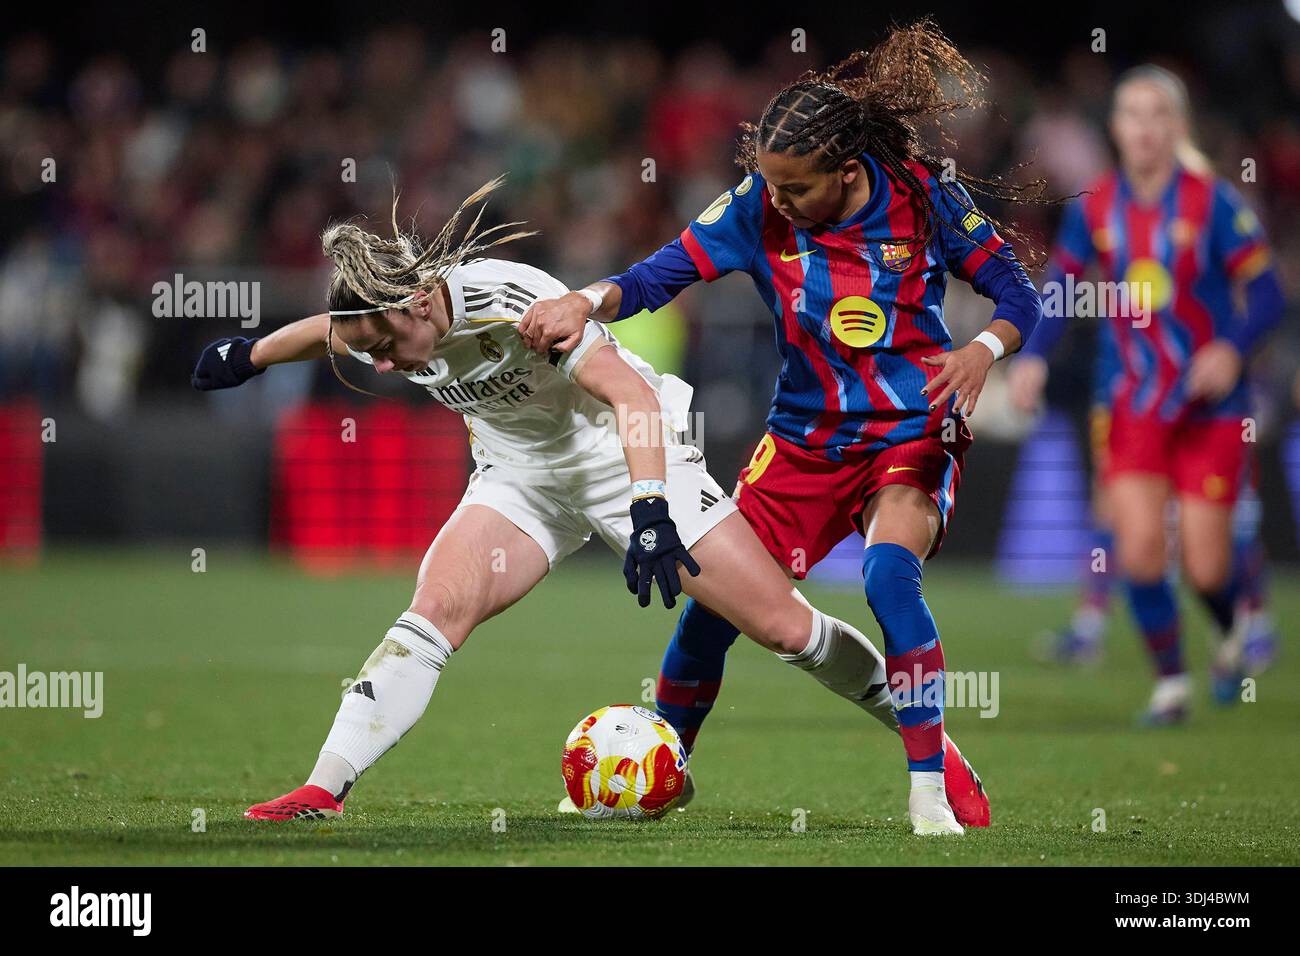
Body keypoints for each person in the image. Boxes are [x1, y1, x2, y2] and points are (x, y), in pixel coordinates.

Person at [191, 178, 988, 831]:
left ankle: (932, 746)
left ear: (423, 304)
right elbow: (326, 331)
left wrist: (649, 509)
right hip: (519, 474)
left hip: (623, 453)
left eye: (388, 346)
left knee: (786, 629)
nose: (388, 365)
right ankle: (322, 788)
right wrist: (248, 355)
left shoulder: (516, 305)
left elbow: (632, 397)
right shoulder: (383, 318)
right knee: (434, 609)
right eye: (370, 350)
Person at [519, 21, 1041, 833]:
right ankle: (670, 766)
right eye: (772, 184)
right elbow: (660, 275)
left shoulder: (923, 194)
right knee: (712, 607)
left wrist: (982, 347)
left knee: (885, 580)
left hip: (911, 427)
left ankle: (929, 785)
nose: (782, 202)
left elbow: (1019, 295)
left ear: (844, 168)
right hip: (802, 438)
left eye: (797, 187)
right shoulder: (757, 206)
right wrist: (585, 300)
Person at [1006, 65, 1285, 723]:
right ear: (1117, 128)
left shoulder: (1214, 203)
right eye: (1132, 114)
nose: (1144, 127)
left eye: (1158, 114)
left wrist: (1229, 348)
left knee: (1208, 567)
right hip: (1132, 401)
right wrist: (1033, 359)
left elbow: (1270, 293)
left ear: (1178, 127)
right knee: (1136, 549)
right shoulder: (1098, 205)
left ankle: (1229, 628)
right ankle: (1171, 684)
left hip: (1210, 408)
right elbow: (1065, 288)